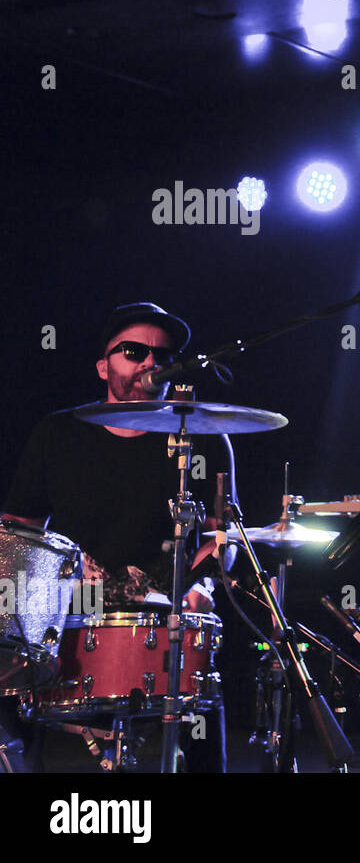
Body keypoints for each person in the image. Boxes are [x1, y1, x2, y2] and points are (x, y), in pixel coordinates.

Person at [1, 301, 227, 771]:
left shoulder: (202, 437)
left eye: (161, 355)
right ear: (104, 365)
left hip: (169, 635)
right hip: (73, 633)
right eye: (132, 351)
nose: (149, 362)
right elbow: (18, 535)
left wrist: (203, 586)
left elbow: (219, 541)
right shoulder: (58, 433)